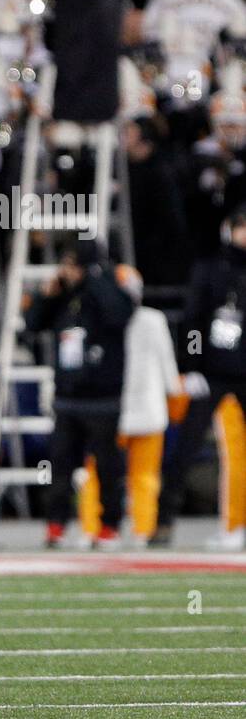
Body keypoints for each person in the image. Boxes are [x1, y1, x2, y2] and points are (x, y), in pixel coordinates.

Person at [24, 239, 135, 548]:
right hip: (68, 396)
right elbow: (32, 325)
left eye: (74, 265)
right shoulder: (64, 295)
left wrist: (95, 278)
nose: (67, 271)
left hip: (103, 397)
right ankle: (57, 524)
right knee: (60, 466)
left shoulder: (110, 288)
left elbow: (120, 315)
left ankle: (109, 526)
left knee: (107, 468)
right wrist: (46, 297)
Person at [156, 207, 246, 547]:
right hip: (212, 374)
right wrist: (192, 366)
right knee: (185, 450)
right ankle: (162, 523)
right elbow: (193, 321)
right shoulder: (210, 269)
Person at [77, 265, 180, 546]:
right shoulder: (148, 319)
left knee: (100, 473)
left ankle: (94, 528)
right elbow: (168, 364)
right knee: (141, 476)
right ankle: (141, 530)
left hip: (115, 408)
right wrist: (174, 394)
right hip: (134, 409)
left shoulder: (102, 319)